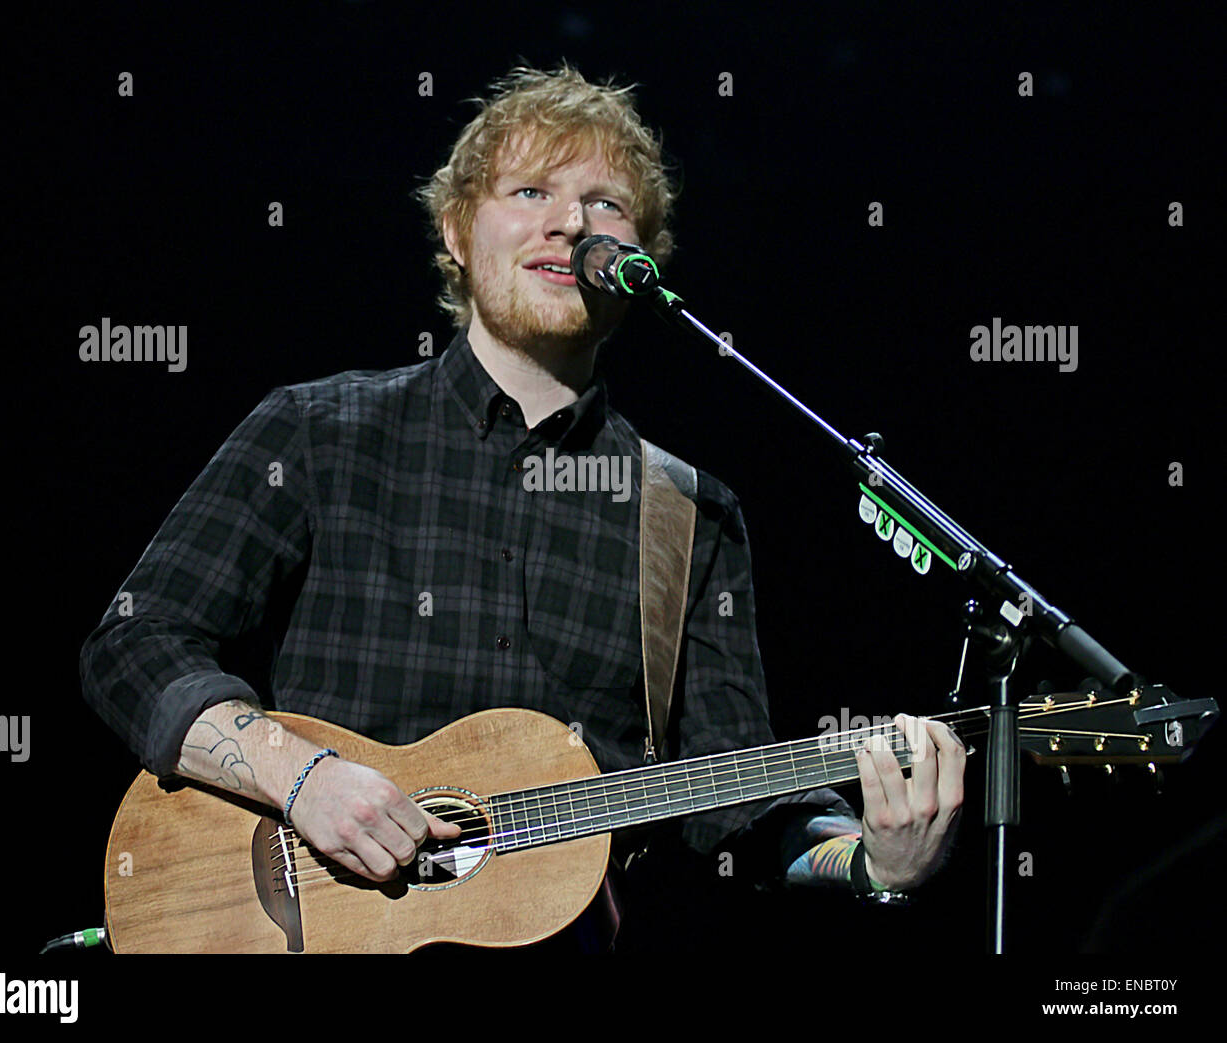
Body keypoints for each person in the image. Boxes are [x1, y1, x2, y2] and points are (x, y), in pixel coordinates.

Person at [80, 63, 964, 950]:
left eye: (606, 205)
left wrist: (870, 861)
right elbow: (134, 639)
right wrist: (302, 776)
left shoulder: (690, 513)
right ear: (456, 229)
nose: (572, 223)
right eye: (531, 188)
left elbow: (730, 802)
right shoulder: (317, 431)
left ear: (640, 262)